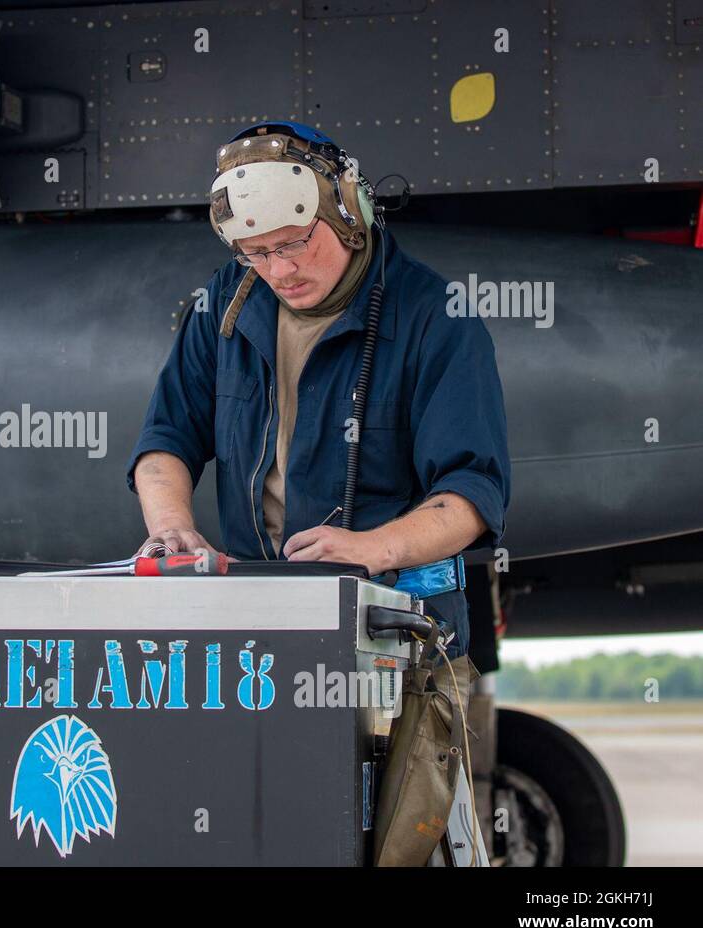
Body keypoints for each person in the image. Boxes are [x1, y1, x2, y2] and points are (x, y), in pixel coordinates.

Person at [126, 121, 510, 656]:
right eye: (254, 253)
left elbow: (473, 492)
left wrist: (372, 549)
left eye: (293, 243)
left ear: (348, 212)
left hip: (397, 638)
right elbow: (167, 436)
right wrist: (172, 529)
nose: (278, 270)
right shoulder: (228, 301)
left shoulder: (436, 318)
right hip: (258, 635)